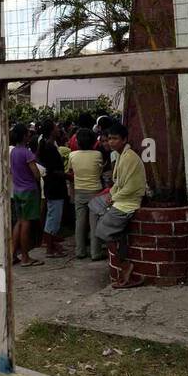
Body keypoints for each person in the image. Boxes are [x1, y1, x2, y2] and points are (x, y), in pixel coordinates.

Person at [90, 120, 148, 288]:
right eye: (109, 139)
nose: (111, 142)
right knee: (101, 219)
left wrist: (114, 196)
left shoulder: (129, 157)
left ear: (124, 139)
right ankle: (124, 265)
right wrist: (113, 194)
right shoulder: (122, 155)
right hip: (121, 201)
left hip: (127, 204)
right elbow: (119, 183)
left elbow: (132, 187)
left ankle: (125, 266)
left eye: (115, 138)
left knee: (101, 231)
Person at [67, 126, 105, 260]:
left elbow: (71, 171)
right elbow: (100, 171)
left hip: (79, 191)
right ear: (93, 141)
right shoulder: (97, 155)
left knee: (80, 222)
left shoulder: (72, 155)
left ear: (77, 142)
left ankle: (80, 251)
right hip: (95, 191)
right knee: (94, 223)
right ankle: (96, 252)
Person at [10, 123, 43, 267]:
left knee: (19, 221)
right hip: (29, 190)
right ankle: (25, 256)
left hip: (17, 190)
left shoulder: (13, 152)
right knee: (26, 223)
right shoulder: (26, 152)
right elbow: (36, 172)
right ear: (24, 136)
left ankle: (12, 254)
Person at [36, 119, 67, 258]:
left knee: (53, 215)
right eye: (55, 127)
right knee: (53, 217)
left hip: (52, 185)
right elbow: (54, 169)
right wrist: (66, 175)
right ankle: (50, 247)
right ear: (51, 131)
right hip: (55, 186)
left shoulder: (46, 145)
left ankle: (52, 244)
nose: (58, 129)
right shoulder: (49, 147)